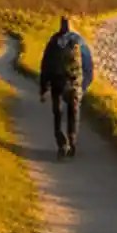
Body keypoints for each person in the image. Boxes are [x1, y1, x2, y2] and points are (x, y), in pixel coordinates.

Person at [39, 16, 94, 159]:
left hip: (60, 82)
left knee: (59, 113)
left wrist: (44, 87)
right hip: (73, 83)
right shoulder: (79, 41)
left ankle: (64, 143)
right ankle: (70, 142)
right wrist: (85, 85)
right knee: (71, 112)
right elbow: (88, 64)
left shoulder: (54, 41)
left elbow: (46, 64)